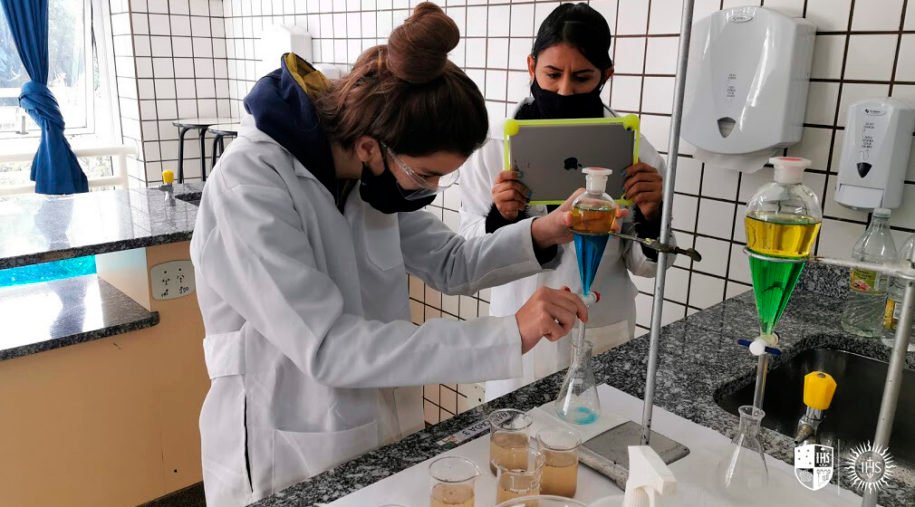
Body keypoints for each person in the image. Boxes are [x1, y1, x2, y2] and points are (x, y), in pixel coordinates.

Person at [190, 4, 621, 506]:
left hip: (377, 426)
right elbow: (329, 346)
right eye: (426, 175)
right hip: (284, 442)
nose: (432, 191)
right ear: (372, 147)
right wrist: (508, 333)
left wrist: (549, 229)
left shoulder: (366, 173)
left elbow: (452, 262)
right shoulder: (251, 187)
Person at [459, 3, 674, 402]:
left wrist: (652, 215)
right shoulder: (492, 151)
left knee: (596, 444)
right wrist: (499, 218)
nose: (564, 91)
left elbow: (645, 265)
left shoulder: (635, 153)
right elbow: (466, 257)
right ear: (531, 66)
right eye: (552, 74)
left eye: (582, 77)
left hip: (599, 326)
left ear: (606, 76)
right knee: (514, 445)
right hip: (519, 328)